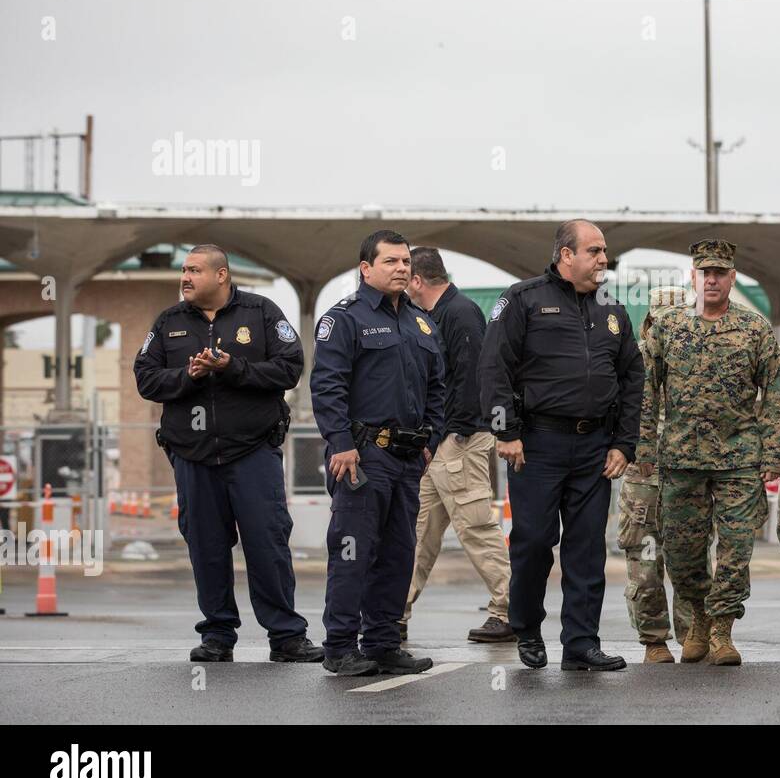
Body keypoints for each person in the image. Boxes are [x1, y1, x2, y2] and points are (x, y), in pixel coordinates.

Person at [133, 244, 322, 664]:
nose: (185, 277)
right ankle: (218, 635)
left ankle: (286, 636)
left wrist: (231, 367)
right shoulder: (168, 323)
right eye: (183, 270)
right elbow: (146, 379)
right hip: (193, 456)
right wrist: (189, 374)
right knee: (206, 547)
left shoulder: (261, 312)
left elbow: (291, 367)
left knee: (267, 543)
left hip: (252, 453)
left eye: (194, 270)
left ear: (221, 276)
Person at [478, 219, 644, 671]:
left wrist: (624, 443)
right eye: (594, 251)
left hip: (595, 448)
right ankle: (527, 627)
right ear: (565, 255)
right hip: (537, 444)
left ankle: (580, 643)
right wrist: (505, 431)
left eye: (604, 251)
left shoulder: (613, 310)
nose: (603, 259)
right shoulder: (523, 299)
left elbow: (633, 378)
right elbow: (494, 367)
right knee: (532, 542)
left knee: (587, 548)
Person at [639, 240, 780, 667]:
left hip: (738, 460)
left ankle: (722, 628)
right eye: (704, 272)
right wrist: (643, 446)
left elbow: (778, 393)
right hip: (681, 459)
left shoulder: (754, 328)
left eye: (720, 272)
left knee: (736, 549)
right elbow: (647, 391)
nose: (711, 279)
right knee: (682, 552)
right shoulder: (669, 328)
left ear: (732, 278)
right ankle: (698, 622)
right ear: (693, 277)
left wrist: (774, 452)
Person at [310, 230, 448, 677]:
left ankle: (384, 643)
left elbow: (438, 389)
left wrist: (430, 441)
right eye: (390, 262)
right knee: (353, 551)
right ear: (366, 268)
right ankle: (340, 646)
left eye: (406, 262)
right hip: (363, 457)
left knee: (398, 553)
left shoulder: (421, 322)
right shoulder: (344, 319)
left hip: (408, 459)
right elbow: (327, 386)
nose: (402, 269)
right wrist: (342, 444)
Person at [401, 246, 514, 645]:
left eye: (404, 274)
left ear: (417, 280)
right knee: (418, 532)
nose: (401, 283)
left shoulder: (459, 312)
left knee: (476, 527)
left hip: (459, 438)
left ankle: (509, 610)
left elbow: (472, 379)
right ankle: (395, 613)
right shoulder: (439, 314)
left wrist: (455, 433)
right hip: (444, 441)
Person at [621, 285, 694, 663]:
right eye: (661, 324)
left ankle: (694, 637)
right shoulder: (629, 360)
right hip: (643, 479)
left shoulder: (700, 359)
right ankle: (654, 640)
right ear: (649, 322)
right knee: (646, 563)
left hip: (689, 475)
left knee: (691, 561)